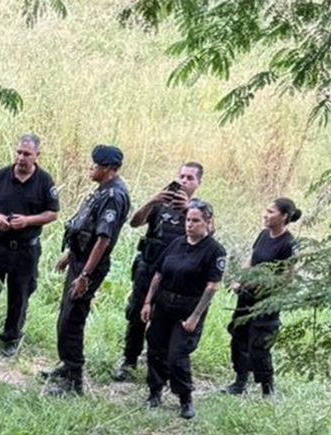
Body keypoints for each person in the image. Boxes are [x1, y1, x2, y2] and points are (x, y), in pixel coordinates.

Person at [41, 145, 131, 396]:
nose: (90, 167)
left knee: (72, 319)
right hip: (80, 260)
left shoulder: (113, 196)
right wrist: (70, 256)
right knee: (65, 315)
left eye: (95, 163)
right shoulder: (102, 191)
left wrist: (85, 276)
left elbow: (103, 239)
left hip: (89, 267)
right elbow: (87, 230)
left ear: (108, 168)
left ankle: (73, 380)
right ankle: (66, 365)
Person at [0, 133, 60, 356]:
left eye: (26, 154)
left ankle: (11, 338)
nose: (21, 158)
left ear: (37, 156)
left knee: (19, 295)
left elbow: (52, 213)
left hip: (25, 250)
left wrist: (28, 221)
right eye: (18, 152)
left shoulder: (44, 181)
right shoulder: (1, 176)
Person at [113, 162, 205, 381]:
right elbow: (135, 223)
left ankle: (158, 364)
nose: (184, 181)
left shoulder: (199, 210)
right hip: (148, 267)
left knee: (166, 321)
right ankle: (129, 359)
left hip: (177, 275)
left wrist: (187, 209)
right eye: (181, 176)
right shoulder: (160, 203)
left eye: (190, 178)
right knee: (137, 314)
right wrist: (153, 200)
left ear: (198, 183)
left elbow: (209, 235)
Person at [140, 200, 226, 418]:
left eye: (195, 221)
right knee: (155, 348)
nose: (190, 225)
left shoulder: (214, 250)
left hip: (188, 308)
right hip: (164, 304)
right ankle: (155, 391)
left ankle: (185, 398)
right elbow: (159, 274)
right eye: (188, 220)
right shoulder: (177, 243)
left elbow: (211, 286)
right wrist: (148, 302)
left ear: (207, 222)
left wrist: (195, 316)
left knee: (177, 355)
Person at [222, 198, 300, 396]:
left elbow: (287, 278)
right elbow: (252, 259)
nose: (265, 214)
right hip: (246, 297)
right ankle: (239, 382)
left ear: (284, 216)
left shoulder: (288, 243)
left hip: (266, 302)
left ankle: (267, 388)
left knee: (259, 345)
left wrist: (263, 286)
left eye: (271, 211)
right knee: (238, 338)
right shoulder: (263, 235)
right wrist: (240, 280)